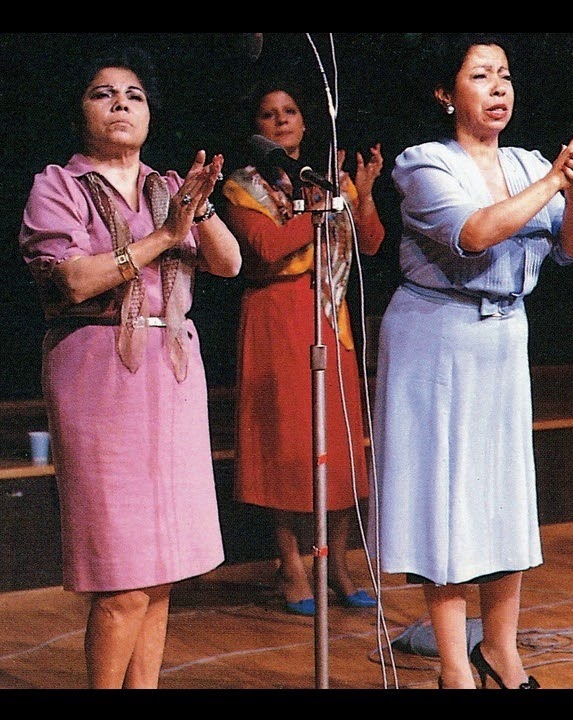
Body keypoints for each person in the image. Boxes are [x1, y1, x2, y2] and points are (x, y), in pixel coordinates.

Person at [371, 35, 573, 690]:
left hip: (504, 336)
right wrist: (556, 180)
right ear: (447, 94)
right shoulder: (423, 164)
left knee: (502, 499)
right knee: (445, 503)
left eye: (504, 75)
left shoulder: (529, 162)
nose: (499, 87)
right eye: (480, 76)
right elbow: (472, 234)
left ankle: (501, 650)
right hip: (435, 335)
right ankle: (453, 668)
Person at [18, 46, 241, 688]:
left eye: (134, 95)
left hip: (171, 372)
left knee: (162, 567)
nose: (121, 103)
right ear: (78, 110)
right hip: (97, 374)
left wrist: (195, 209)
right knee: (122, 576)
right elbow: (70, 282)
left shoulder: (168, 186)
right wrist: (164, 237)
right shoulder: (57, 185)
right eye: (103, 93)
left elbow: (226, 263)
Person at [223, 79, 386, 616]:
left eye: (290, 111)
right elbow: (267, 248)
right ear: (258, 128)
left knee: (338, 441)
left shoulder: (329, 180)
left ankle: (336, 562)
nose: (281, 120)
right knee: (284, 442)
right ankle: (290, 562)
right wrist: (319, 209)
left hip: (328, 314)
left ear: (305, 122)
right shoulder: (241, 186)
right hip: (275, 316)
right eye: (269, 114)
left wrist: (361, 194)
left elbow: (371, 242)